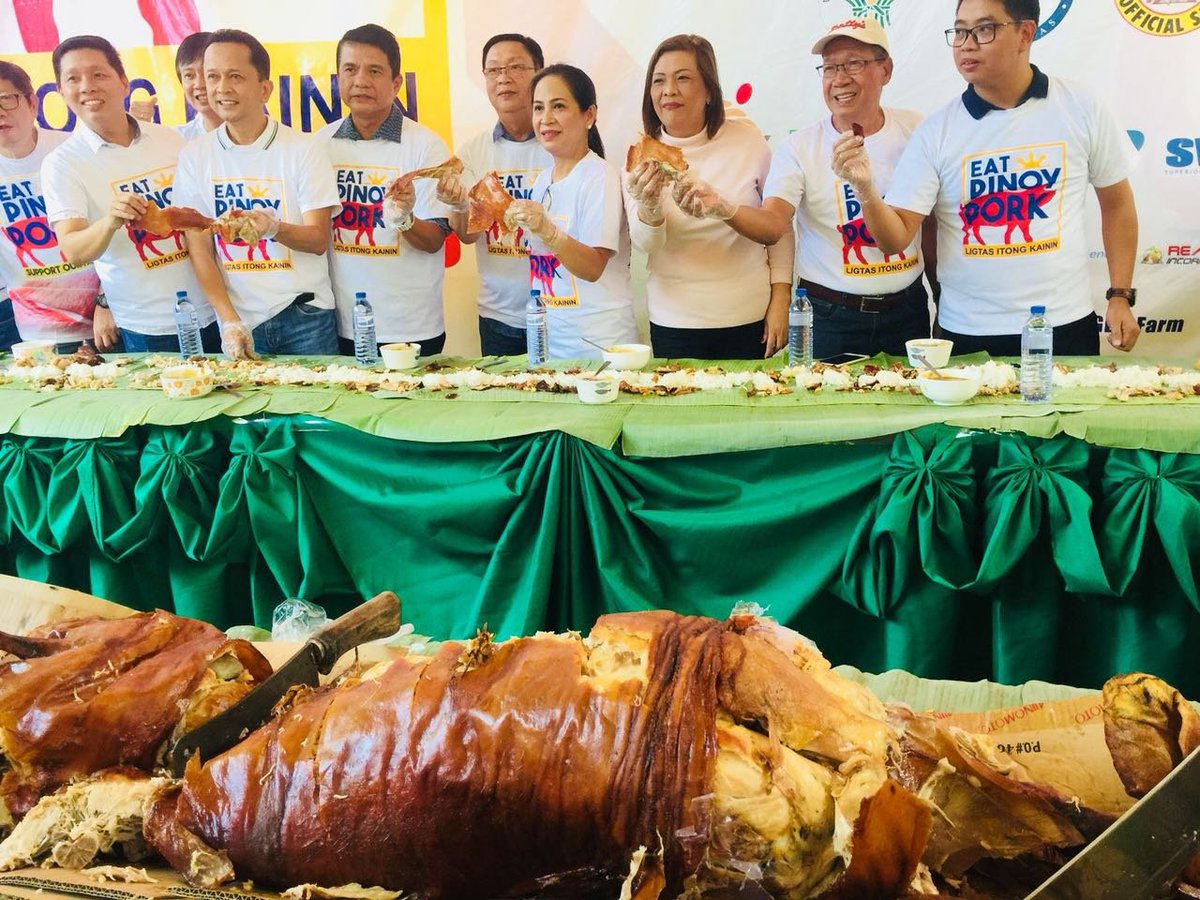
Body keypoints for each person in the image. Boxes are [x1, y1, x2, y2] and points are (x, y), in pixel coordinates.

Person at [831, 0, 1140, 355]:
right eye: (960, 31)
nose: (967, 43)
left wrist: (1120, 294)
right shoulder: (936, 131)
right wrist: (866, 189)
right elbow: (894, 238)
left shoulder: (1080, 106)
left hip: (1063, 324)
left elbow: (1117, 205)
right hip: (968, 332)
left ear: (1025, 33)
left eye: (984, 29)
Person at [717, 18, 935, 360]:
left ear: (886, 70)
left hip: (907, 311)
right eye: (830, 68)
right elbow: (773, 224)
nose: (840, 79)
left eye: (854, 64)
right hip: (830, 317)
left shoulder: (917, 130)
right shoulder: (799, 147)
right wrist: (722, 208)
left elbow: (926, 228)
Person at [40, 35, 214, 353]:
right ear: (61, 92)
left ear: (123, 82)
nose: (87, 86)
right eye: (73, 79)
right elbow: (74, 249)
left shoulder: (171, 140)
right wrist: (109, 221)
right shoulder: (62, 164)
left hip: (214, 309)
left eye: (98, 74)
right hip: (146, 326)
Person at [624, 35, 793, 360]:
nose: (668, 90)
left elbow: (779, 227)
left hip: (751, 321)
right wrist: (650, 208)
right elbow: (647, 245)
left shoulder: (748, 141)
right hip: (673, 323)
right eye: (658, 81)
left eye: (683, 78)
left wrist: (781, 296)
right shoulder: (640, 155)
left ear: (709, 91)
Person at [174, 29, 340, 358]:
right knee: (247, 411)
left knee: (317, 408)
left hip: (305, 316)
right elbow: (200, 251)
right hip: (240, 320)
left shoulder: (304, 149)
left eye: (235, 76)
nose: (221, 88)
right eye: (213, 77)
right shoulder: (195, 156)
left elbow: (317, 239)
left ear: (264, 88)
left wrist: (273, 228)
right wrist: (229, 321)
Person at [318, 24, 452, 357]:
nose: (360, 80)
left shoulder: (426, 147)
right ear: (337, 79)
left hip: (412, 326)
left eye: (374, 70)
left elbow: (434, 240)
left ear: (396, 83)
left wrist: (403, 218)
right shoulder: (318, 145)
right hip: (342, 323)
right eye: (350, 69)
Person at [503, 64, 637, 360]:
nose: (545, 119)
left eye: (558, 106)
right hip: (550, 348)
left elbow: (592, 267)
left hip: (599, 349)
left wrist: (548, 232)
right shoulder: (541, 180)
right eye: (538, 108)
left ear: (589, 115)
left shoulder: (599, 176)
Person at [444, 33, 551, 356]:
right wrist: (457, 204)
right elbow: (464, 235)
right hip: (498, 317)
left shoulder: (560, 143)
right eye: (493, 70)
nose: (503, 78)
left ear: (540, 73)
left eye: (516, 67)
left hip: (561, 310)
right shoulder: (473, 152)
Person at [0, 60, 104, 353]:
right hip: (34, 332)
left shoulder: (72, 151)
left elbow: (117, 228)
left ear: (32, 103)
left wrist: (105, 301)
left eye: (6, 100)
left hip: (103, 319)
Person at [174, 31, 220, 140]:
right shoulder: (177, 139)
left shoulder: (257, 134)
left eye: (208, 74)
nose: (199, 84)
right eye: (189, 75)